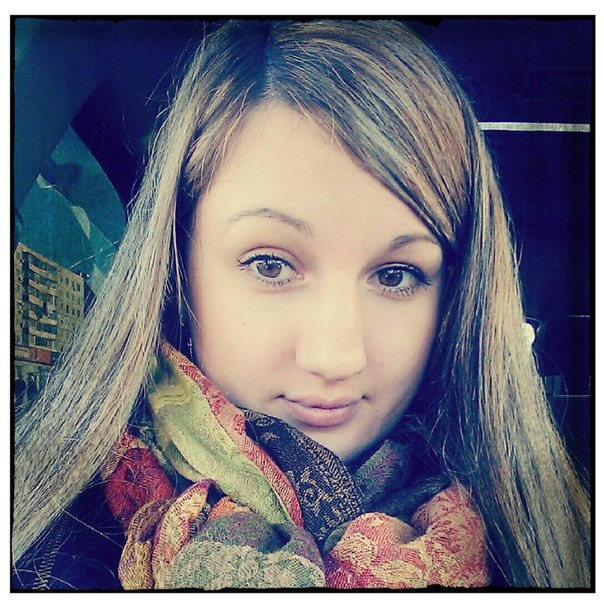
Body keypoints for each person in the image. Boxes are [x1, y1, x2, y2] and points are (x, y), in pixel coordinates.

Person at [12, 19, 591, 590]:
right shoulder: (46, 552)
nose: (334, 358)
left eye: (395, 275)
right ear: (176, 267)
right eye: (271, 265)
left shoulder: (551, 546)